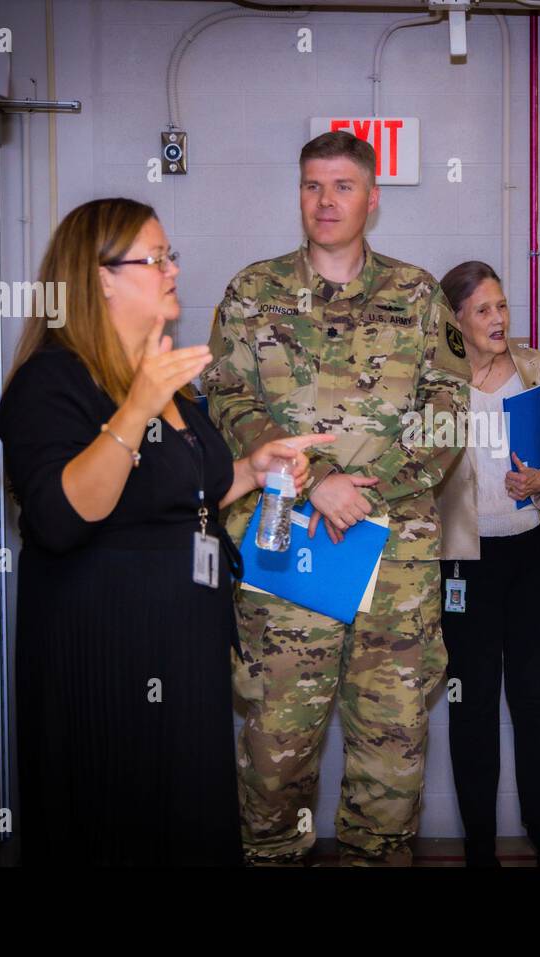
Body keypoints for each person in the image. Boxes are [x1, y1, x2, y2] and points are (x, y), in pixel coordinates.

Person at [0, 197, 328, 865]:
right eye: (155, 257)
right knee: (116, 822)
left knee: (188, 820)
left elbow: (182, 496)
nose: (172, 268)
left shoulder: (158, 382)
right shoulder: (53, 381)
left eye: (170, 254)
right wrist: (138, 406)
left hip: (184, 653)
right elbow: (61, 517)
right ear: (99, 278)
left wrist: (252, 469)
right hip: (105, 657)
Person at [203, 131, 471, 866]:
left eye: (343, 186)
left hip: (395, 569)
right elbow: (224, 396)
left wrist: (366, 492)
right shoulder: (251, 293)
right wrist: (317, 476)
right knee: (274, 759)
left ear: (373, 198)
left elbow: (448, 415)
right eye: (312, 186)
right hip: (289, 560)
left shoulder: (419, 297)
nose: (326, 201)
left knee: (390, 767)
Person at [432, 261, 540, 868]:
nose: (499, 320)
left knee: (534, 696)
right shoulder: (433, 380)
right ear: (456, 320)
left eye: (502, 307)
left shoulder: (537, 369)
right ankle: (479, 848)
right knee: (471, 702)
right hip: (463, 561)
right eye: (484, 310)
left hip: (529, 554)